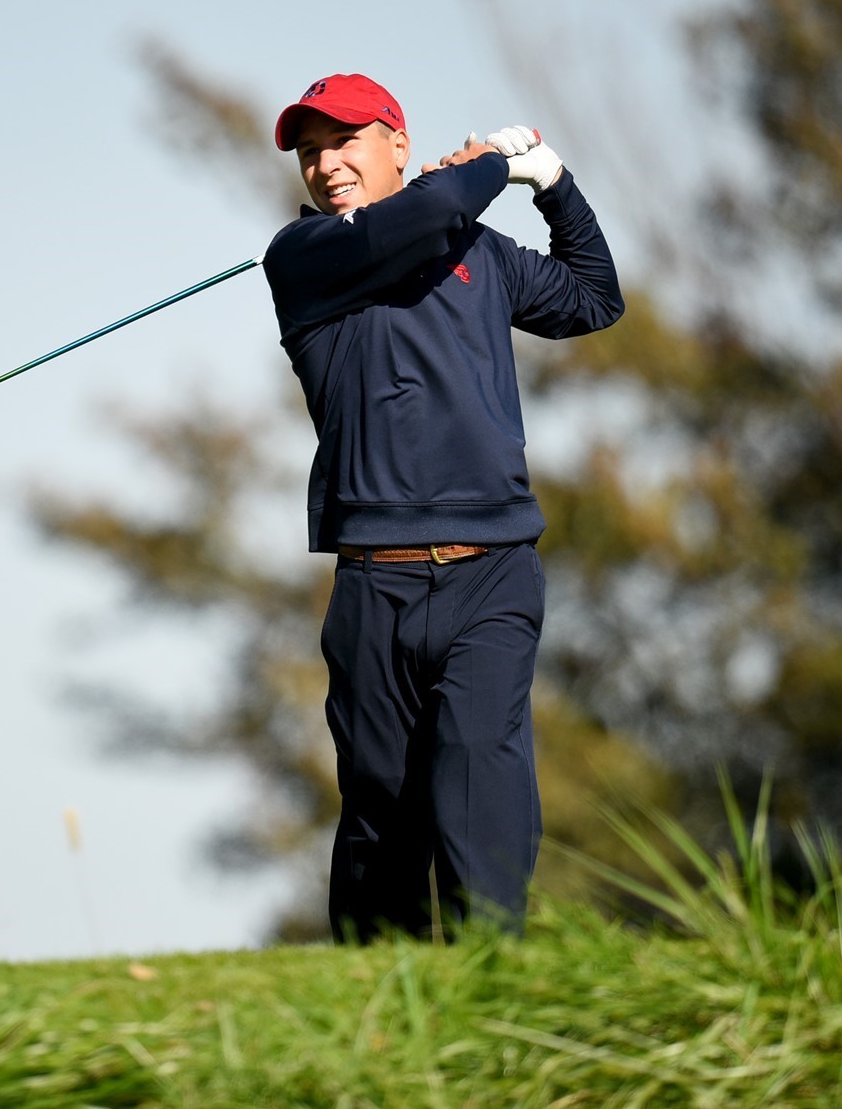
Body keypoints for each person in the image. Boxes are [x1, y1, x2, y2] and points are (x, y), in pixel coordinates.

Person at [261, 73, 624, 941]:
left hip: (492, 575)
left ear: (395, 142)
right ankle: (372, 1031)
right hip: (372, 589)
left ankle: (488, 1012)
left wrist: (556, 185)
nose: (324, 164)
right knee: (383, 823)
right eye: (310, 152)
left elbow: (594, 298)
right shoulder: (303, 256)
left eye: (344, 141)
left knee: (481, 798)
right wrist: (495, 162)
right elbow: (421, 217)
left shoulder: (478, 251)